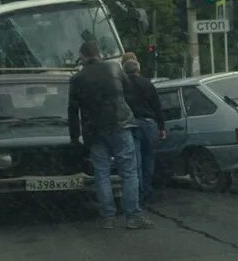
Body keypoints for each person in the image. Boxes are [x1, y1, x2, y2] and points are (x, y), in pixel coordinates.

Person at [67, 41, 153, 230]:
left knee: (102, 173)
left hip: (94, 131)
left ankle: (108, 217)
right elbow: (128, 91)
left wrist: (75, 137)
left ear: (82, 57)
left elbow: (73, 111)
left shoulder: (77, 79)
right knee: (129, 172)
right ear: (99, 54)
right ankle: (133, 216)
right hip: (120, 125)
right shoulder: (114, 68)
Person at [122, 58, 166, 205]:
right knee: (149, 159)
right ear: (138, 70)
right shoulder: (147, 84)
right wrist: (161, 127)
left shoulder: (122, 85)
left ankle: (137, 193)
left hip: (130, 124)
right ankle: (147, 190)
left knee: (135, 161)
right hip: (149, 124)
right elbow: (157, 106)